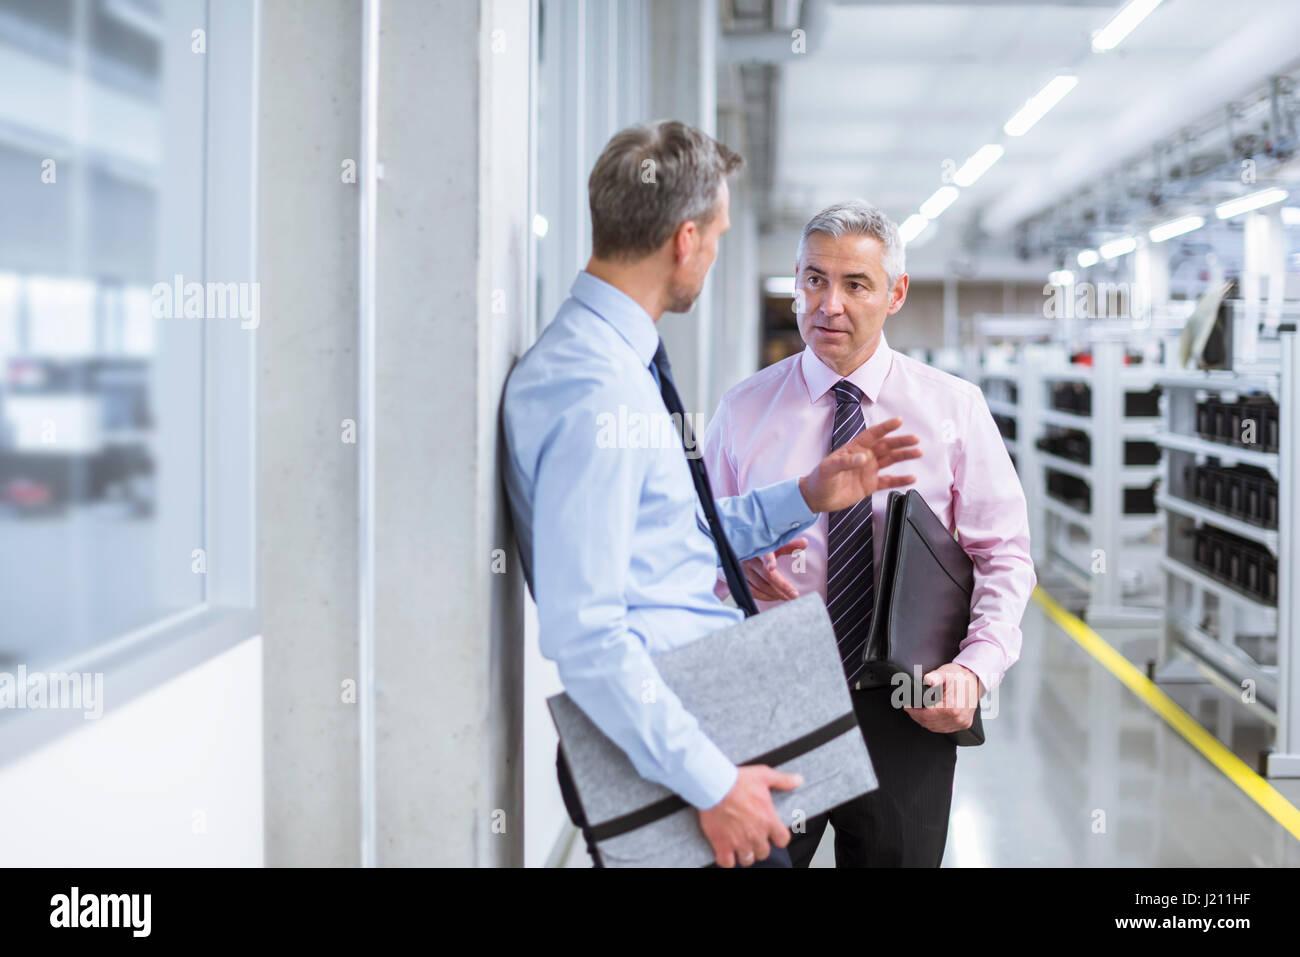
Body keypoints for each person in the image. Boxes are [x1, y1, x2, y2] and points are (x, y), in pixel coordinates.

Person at [502, 127, 921, 867]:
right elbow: (587, 634)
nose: (718, 254)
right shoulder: (590, 386)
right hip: (674, 757)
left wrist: (805, 493)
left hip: (700, 722)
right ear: (685, 240)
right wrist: (714, 783)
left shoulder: (619, 366)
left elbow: (670, 535)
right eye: (720, 235)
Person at [701, 199, 1036, 867]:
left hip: (906, 699)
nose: (830, 303)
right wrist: (733, 572)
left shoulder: (954, 408)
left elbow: (1004, 557)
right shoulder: (743, 410)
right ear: (795, 279)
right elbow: (695, 550)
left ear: (895, 293)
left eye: (856, 284)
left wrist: (975, 669)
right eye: (815, 279)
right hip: (775, 694)